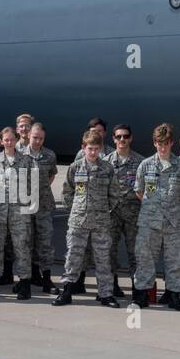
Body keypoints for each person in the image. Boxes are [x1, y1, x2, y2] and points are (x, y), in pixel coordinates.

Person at [132, 123, 180, 311]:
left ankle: (174, 296)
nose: (163, 147)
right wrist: (155, 208)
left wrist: (171, 206)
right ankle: (142, 295)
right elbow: (139, 191)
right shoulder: (145, 165)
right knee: (145, 259)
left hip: (173, 222)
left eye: (166, 143)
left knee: (176, 260)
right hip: (149, 222)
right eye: (159, 143)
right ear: (154, 143)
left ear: (172, 143)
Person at [54, 130, 118, 308]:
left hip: (100, 223)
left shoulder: (107, 169)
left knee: (103, 259)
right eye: (90, 148)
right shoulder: (75, 167)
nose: (93, 152)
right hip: (78, 221)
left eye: (96, 149)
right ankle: (66, 291)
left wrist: (104, 211)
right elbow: (67, 192)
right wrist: (75, 210)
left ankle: (105, 294)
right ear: (83, 148)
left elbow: (114, 195)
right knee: (73, 256)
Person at [0, 126, 34, 299]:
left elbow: (32, 188)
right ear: (0, 141)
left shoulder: (26, 161)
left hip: (19, 213)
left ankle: (24, 283)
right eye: (6, 140)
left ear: (17, 140)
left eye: (12, 139)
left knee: (22, 249)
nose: (9, 142)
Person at [106, 124, 144, 298]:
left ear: (131, 138)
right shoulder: (105, 163)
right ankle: (111, 286)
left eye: (126, 136)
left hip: (133, 216)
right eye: (119, 137)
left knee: (135, 252)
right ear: (113, 139)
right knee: (109, 251)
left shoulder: (140, 163)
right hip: (111, 215)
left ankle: (137, 288)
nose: (122, 140)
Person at [21, 121, 58, 293]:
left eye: (41, 139)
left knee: (45, 241)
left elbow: (52, 175)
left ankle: (46, 278)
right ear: (28, 135)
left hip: (43, 205)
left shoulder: (49, 155)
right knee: (26, 241)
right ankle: (26, 278)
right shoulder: (19, 153)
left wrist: (40, 189)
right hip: (24, 205)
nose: (37, 141)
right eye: (35, 137)